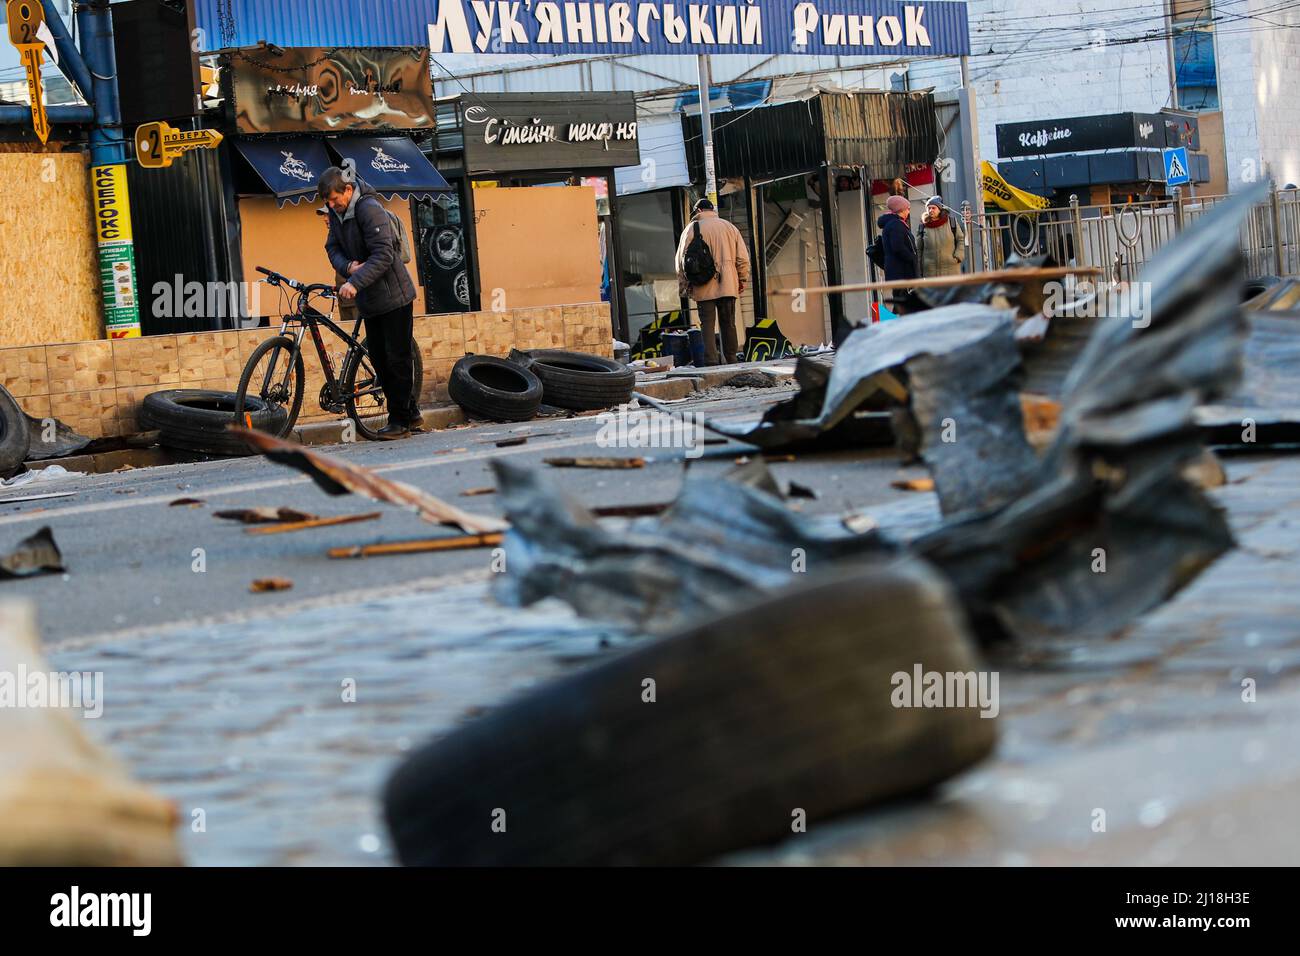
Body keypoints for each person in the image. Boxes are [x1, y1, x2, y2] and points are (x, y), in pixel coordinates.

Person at [318, 163, 421, 440]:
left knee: (396, 358)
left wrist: (354, 281)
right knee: (379, 359)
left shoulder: (368, 208)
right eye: (327, 202)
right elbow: (332, 248)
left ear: (348, 190)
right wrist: (348, 266)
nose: (330, 205)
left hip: (394, 296)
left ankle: (400, 422)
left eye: (334, 199)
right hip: (371, 300)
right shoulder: (336, 213)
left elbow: (384, 255)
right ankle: (410, 412)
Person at [675, 198, 751, 366]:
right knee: (728, 323)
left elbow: (680, 261)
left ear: (698, 211)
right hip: (728, 283)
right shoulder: (729, 227)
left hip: (702, 284)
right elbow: (743, 259)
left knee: (707, 325)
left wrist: (685, 286)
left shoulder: (691, 229)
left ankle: (711, 361)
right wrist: (742, 279)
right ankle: (731, 360)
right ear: (712, 210)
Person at [876, 194, 918, 313]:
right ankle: (897, 325)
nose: (909, 212)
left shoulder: (894, 224)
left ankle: (897, 323)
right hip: (901, 271)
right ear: (901, 209)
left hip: (898, 271)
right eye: (908, 209)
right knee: (902, 302)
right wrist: (912, 257)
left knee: (901, 301)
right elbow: (898, 247)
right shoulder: (896, 225)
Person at [916, 196, 966, 279]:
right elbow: (919, 249)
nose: (930, 210)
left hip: (951, 268)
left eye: (933, 208)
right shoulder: (922, 226)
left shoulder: (951, 222)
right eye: (929, 208)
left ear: (939, 209)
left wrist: (958, 257)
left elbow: (960, 239)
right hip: (930, 271)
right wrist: (920, 268)